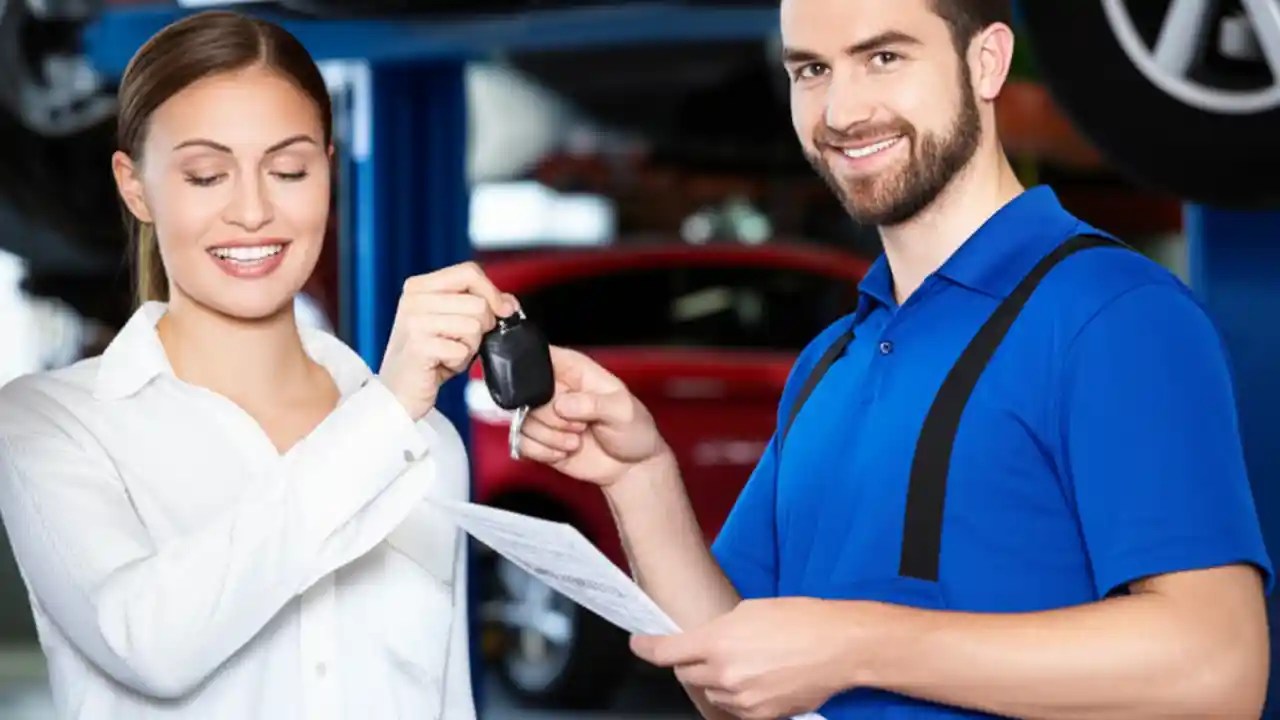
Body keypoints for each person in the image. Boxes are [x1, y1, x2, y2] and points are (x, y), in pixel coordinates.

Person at [514, 0, 1274, 718]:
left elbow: (1219, 670)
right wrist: (638, 476)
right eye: (811, 70)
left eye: (883, 56)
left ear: (987, 62)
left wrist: (859, 646)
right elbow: (737, 688)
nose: (842, 112)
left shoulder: (1112, 313)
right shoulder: (828, 364)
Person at [0, 11, 506, 718]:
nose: (253, 210)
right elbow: (147, 643)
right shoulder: (51, 425)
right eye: (207, 175)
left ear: (327, 172)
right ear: (135, 186)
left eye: (290, 170)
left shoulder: (423, 446)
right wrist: (382, 416)